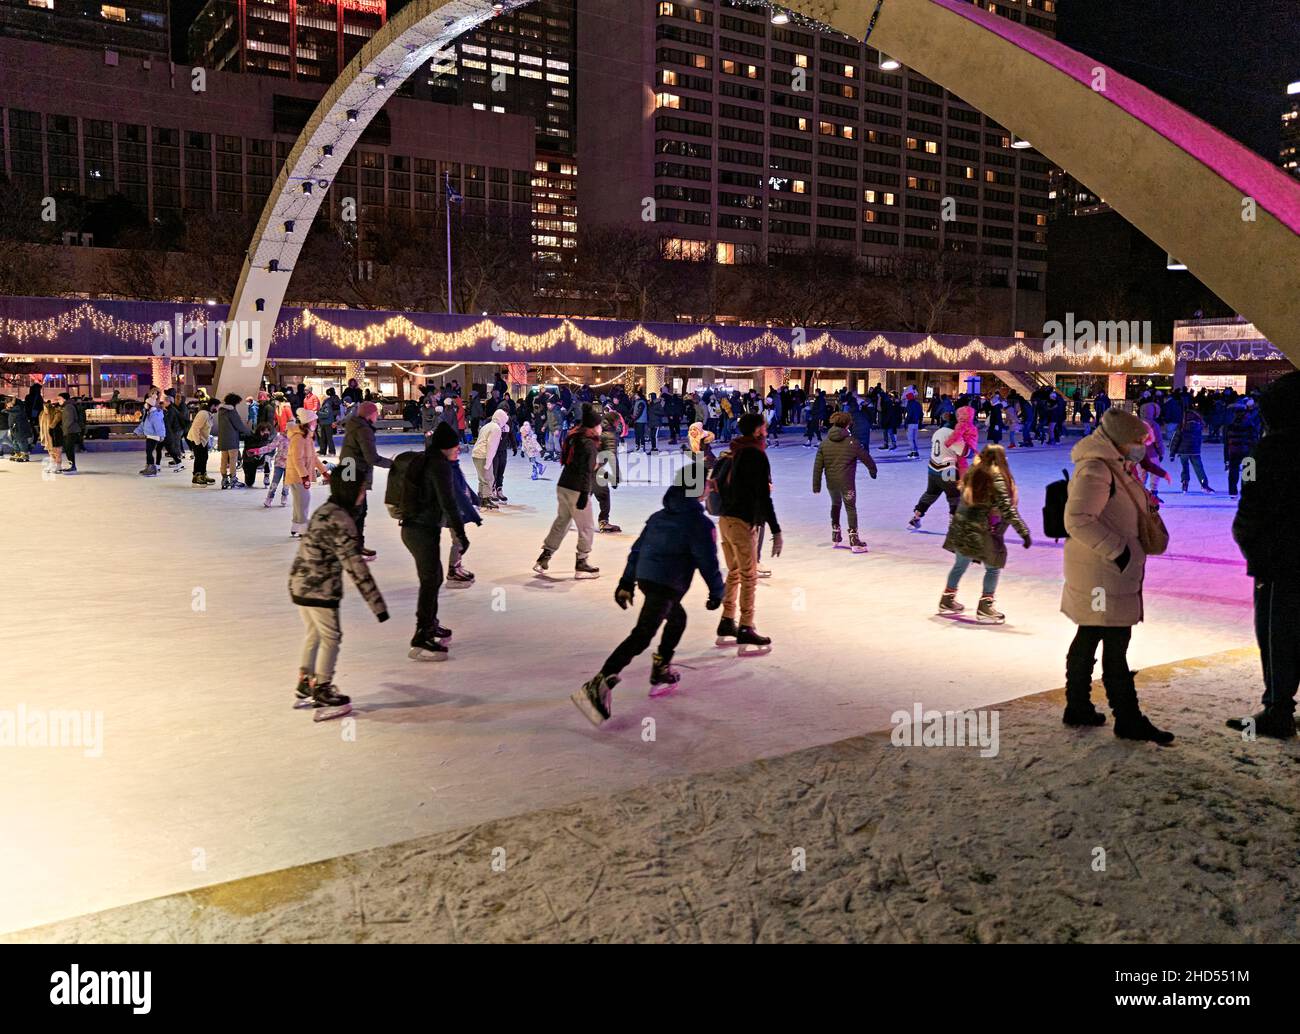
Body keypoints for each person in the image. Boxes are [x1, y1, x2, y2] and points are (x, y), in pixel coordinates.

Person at [572, 461, 726, 726]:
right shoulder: (699, 524)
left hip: (647, 579)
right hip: (666, 584)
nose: (710, 486)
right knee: (642, 634)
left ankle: (661, 668)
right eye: (706, 482)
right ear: (698, 489)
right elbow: (708, 562)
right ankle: (599, 682)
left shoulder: (659, 517)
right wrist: (717, 592)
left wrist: (626, 583)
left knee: (677, 619)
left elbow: (637, 550)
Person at [1061, 407, 1173, 744]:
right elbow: (1078, 519)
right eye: (1139, 441)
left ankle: (1078, 706)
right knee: (1114, 644)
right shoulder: (1096, 469)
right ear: (1121, 441)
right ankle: (1127, 718)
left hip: (1105, 570)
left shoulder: (1116, 466)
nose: (1142, 447)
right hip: (1103, 570)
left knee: (1091, 634)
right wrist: (1119, 551)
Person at [1227, 373, 1300, 739]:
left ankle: (1278, 710)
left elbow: (1251, 505)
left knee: (1278, 635)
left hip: (1280, 563)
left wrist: (1252, 546)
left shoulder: (1267, 452)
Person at [288, 467, 389, 714]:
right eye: (362, 490)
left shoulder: (324, 510)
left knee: (314, 633)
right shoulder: (342, 520)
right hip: (320, 590)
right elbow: (356, 568)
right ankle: (322, 687)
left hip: (299, 584)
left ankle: (305, 681)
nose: (364, 495)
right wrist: (378, 606)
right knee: (331, 637)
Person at [397, 422, 470, 661]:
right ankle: (422, 636)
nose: (458, 449)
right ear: (446, 447)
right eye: (456, 446)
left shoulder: (425, 459)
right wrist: (461, 533)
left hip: (417, 528)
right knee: (430, 580)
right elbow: (448, 502)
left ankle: (430, 623)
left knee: (434, 577)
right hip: (420, 529)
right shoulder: (439, 466)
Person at [938, 445, 1032, 622]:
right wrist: (1024, 532)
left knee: (960, 564)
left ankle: (947, 600)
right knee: (993, 567)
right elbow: (1007, 508)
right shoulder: (996, 476)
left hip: (961, 526)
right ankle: (985, 606)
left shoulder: (974, 470)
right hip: (981, 529)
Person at [715, 411, 781, 647]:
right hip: (742, 521)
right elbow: (763, 496)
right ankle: (746, 625)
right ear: (757, 430)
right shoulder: (755, 454)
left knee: (734, 572)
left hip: (725, 519)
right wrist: (776, 530)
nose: (766, 429)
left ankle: (727, 619)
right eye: (763, 426)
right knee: (748, 575)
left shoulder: (734, 450)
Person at [535, 403, 602, 578]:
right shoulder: (589, 443)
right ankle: (582, 561)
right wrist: (584, 494)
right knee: (586, 526)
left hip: (563, 485)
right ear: (594, 426)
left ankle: (545, 555)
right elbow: (586, 471)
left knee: (563, 521)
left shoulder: (575, 437)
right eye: (599, 425)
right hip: (576, 489)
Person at [812, 411, 878, 553]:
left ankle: (836, 534)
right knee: (850, 507)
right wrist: (873, 471)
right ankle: (854, 540)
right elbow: (866, 457)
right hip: (846, 482)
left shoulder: (824, 443)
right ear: (847, 424)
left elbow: (818, 466)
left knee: (836, 505)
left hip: (831, 483)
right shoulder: (852, 442)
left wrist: (816, 485)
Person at [339, 401, 392, 557]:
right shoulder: (363, 429)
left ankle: (355, 545)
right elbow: (371, 457)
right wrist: (392, 464)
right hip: (356, 474)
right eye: (376, 412)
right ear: (370, 414)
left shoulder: (355, 425)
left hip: (349, 472)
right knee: (357, 511)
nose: (378, 415)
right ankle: (351, 547)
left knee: (358, 510)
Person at [908, 408, 973, 530]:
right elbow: (965, 452)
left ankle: (916, 516)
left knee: (930, 494)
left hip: (933, 469)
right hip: (948, 470)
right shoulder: (953, 435)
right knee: (955, 497)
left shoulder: (938, 432)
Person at [287, 408, 331, 536]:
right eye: (314, 421)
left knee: (299, 500)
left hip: (300, 475)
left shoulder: (307, 437)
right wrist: (304, 476)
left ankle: (296, 525)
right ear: (308, 422)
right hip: (297, 475)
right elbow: (297, 459)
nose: (316, 424)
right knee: (303, 500)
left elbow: (313, 457)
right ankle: (302, 527)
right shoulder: (299, 438)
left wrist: (324, 472)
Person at [1170, 406, 1215, 494]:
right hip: (1195, 451)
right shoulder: (1198, 426)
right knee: (1199, 469)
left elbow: (1175, 439)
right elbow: (1198, 440)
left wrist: (1172, 453)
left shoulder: (1182, 425)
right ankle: (1204, 485)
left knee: (1185, 468)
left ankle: (1185, 484)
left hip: (1183, 452)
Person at [471, 408, 508, 511]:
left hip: (476, 454)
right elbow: (491, 446)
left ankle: (481, 497)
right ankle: (485, 499)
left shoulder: (487, 426)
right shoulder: (496, 428)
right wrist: (488, 462)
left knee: (482, 478)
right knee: (488, 478)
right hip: (483, 455)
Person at [1223, 402, 1259, 499]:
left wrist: (1226, 458)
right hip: (1247, 450)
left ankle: (1233, 492)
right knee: (1248, 472)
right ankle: (1248, 492)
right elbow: (1254, 438)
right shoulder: (1250, 423)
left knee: (1233, 472)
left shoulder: (1230, 425)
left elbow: (1226, 443)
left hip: (1234, 451)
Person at [594, 412, 622, 533]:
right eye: (618, 421)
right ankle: (603, 522)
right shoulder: (610, 434)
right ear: (614, 422)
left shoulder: (597, 428)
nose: (620, 423)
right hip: (592, 468)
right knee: (604, 494)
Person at [216, 393, 250, 489]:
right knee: (232, 459)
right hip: (232, 439)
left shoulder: (221, 411)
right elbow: (239, 425)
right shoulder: (231, 411)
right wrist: (249, 432)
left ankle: (224, 479)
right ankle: (233, 479)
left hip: (223, 439)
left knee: (223, 459)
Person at [186, 398, 216, 486]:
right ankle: (196, 476)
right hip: (196, 439)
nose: (217, 409)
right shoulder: (203, 414)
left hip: (202, 439)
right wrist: (197, 442)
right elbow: (195, 428)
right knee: (199, 457)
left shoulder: (209, 414)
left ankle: (203, 474)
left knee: (204, 457)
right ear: (213, 405)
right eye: (217, 407)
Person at [137, 397, 167, 476]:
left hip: (154, 436)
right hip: (150, 435)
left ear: (149, 405)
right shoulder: (149, 413)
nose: (145, 405)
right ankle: (149, 467)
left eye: (146, 403)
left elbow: (159, 426)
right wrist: (137, 431)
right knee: (148, 452)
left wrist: (161, 435)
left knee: (149, 452)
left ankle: (152, 469)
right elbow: (144, 424)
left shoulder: (154, 415)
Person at [58, 391, 82, 474]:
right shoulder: (67, 406)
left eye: (59, 399)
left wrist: (64, 430)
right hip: (70, 431)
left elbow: (69, 420)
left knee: (69, 449)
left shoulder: (68, 407)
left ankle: (72, 466)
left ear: (64, 399)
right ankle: (71, 465)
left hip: (71, 431)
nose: (58, 401)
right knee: (68, 449)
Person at [6, 395, 33, 462]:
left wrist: (7, 410)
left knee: (21, 441)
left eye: (9, 403)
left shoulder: (18, 408)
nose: (8, 405)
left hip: (20, 428)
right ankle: (18, 453)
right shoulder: (12, 409)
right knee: (15, 441)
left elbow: (14, 412)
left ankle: (25, 454)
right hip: (14, 428)